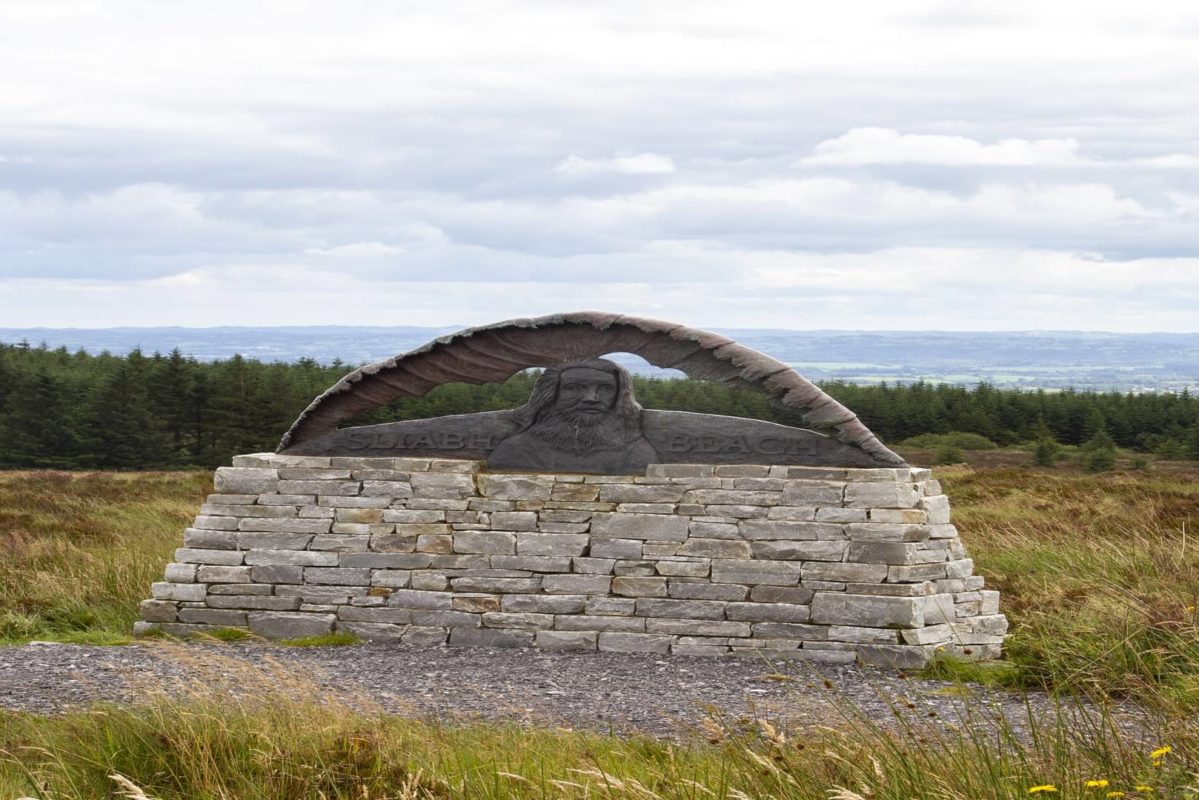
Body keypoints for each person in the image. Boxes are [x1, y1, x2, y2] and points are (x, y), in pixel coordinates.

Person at [487, 357, 659, 473]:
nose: (591, 398)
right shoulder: (516, 450)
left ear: (619, 396)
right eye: (574, 388)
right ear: (551, 394)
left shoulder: (635, 452)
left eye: (606, 389)